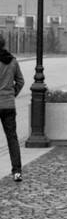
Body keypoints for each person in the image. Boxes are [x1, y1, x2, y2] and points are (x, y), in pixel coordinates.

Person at [0, 34, 24, 181]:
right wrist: (12, 94)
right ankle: (17, 171)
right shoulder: (13, 61)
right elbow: (20, 81)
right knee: (12, 138)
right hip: (8, 104)